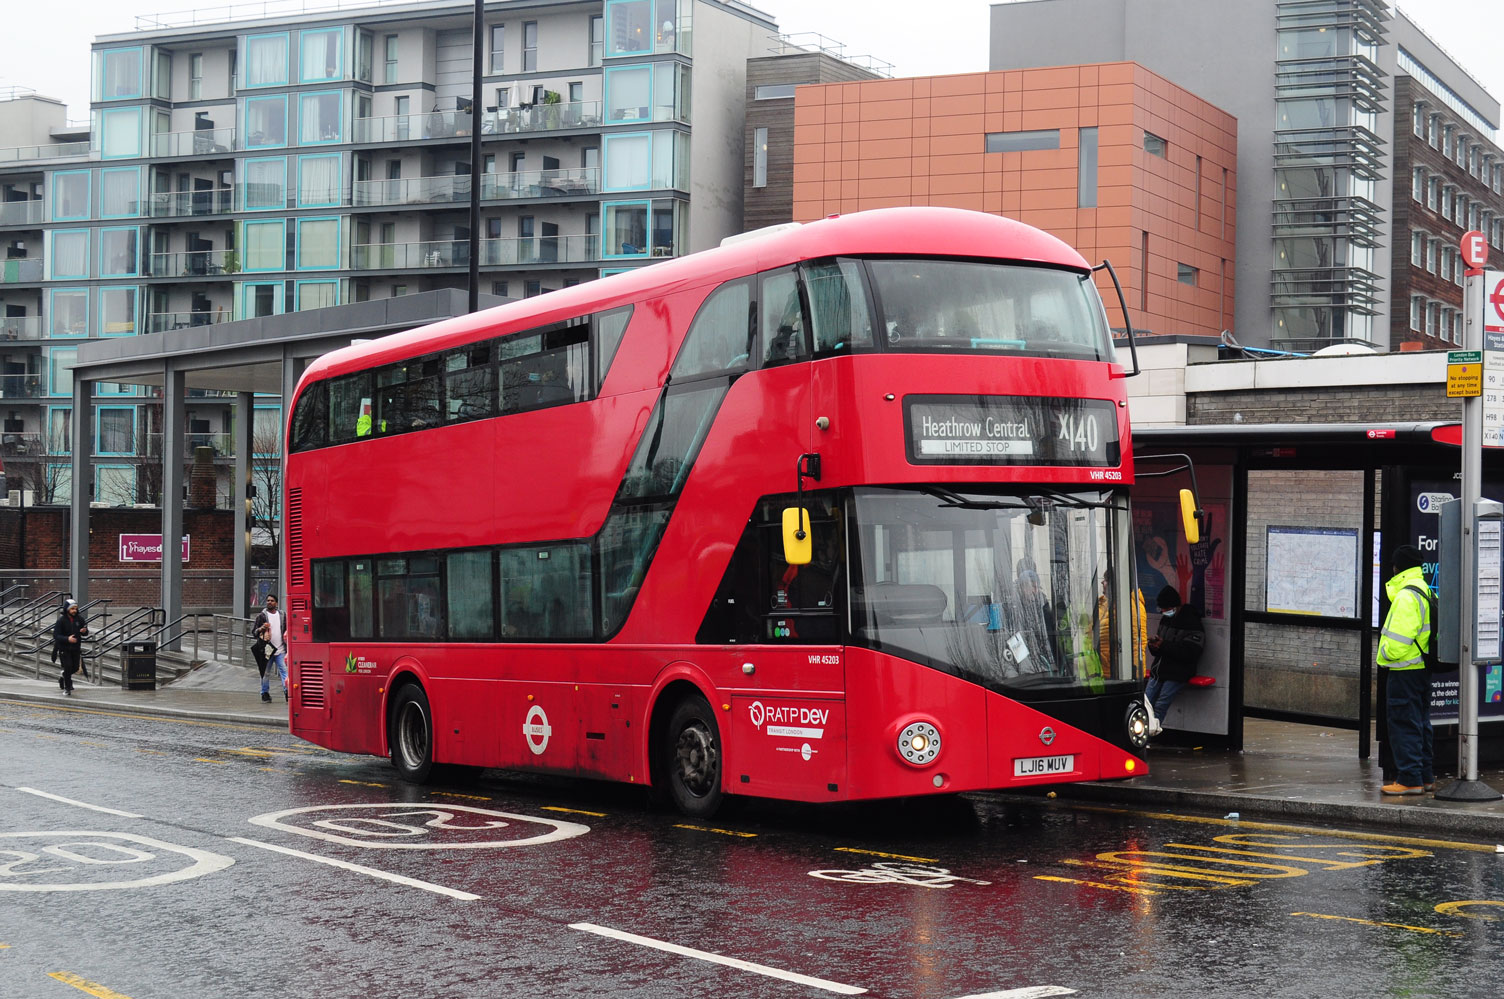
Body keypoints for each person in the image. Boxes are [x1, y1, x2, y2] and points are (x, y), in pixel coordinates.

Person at [1378, 545, 1435, 796]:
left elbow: (1399, 640)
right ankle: (1425, 776)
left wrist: (1386, 655)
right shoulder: (1424, 589)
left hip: (1404, 671)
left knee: (1404, 724)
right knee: (1421, 724)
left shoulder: (1405, 596)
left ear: (1397, 567)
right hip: (1420, 669)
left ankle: (1409, 779)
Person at [1144, 585, 1205, 727]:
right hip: (1160, 670)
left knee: (1160, 704)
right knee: (1146, 703)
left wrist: (1163, 645)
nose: (1163, 612)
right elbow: (1161, 646)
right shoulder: (1166, 619)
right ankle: (1143, 732)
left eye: (1165, 609)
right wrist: (1154, 646)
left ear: (1175, 606)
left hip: (1178, 672)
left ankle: (1150, 733)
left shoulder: (1192, 622)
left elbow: (1191, 652)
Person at [1096, 569, 1148, 677]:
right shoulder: (1106, 603)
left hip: (1119, 672)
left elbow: (1131, 645)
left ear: (1114, 584)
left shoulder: (1130, 606)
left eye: (1105, 580)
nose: (1102, 582)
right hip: (1105, 668)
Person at [253, 594, 288, 703]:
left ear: (276, 603)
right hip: (267, 649)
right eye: (268, 600)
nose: (269, 602)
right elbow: (254, 632)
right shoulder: (261, 616)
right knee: (265, 672)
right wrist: (261, 629)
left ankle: (287, 692)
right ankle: (265, 693)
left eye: (272, 600)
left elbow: (287, 629)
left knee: (284, 671)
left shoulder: (282, 615)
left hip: (280, 649)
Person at [52, 599, 89, 695]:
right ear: (67, 609)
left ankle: (64, 675)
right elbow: (56, 635)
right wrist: (67, 639)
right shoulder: (61, 621)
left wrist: (84, 631)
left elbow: (85, 632)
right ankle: (67, 688)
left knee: (76, 668)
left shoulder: (79, 619)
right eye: (72, 609)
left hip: (76, 648)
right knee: (68, 666)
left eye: (76, 609)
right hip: (64, 648)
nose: (74, 611)